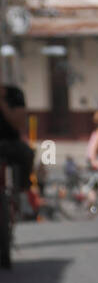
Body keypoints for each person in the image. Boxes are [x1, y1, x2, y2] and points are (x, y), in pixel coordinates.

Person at [0, 81, 37, 213]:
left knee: (27, 152)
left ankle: (23, 193)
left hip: (11, 142)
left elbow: (19, 123)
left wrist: (2, 102)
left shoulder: (14, 93)